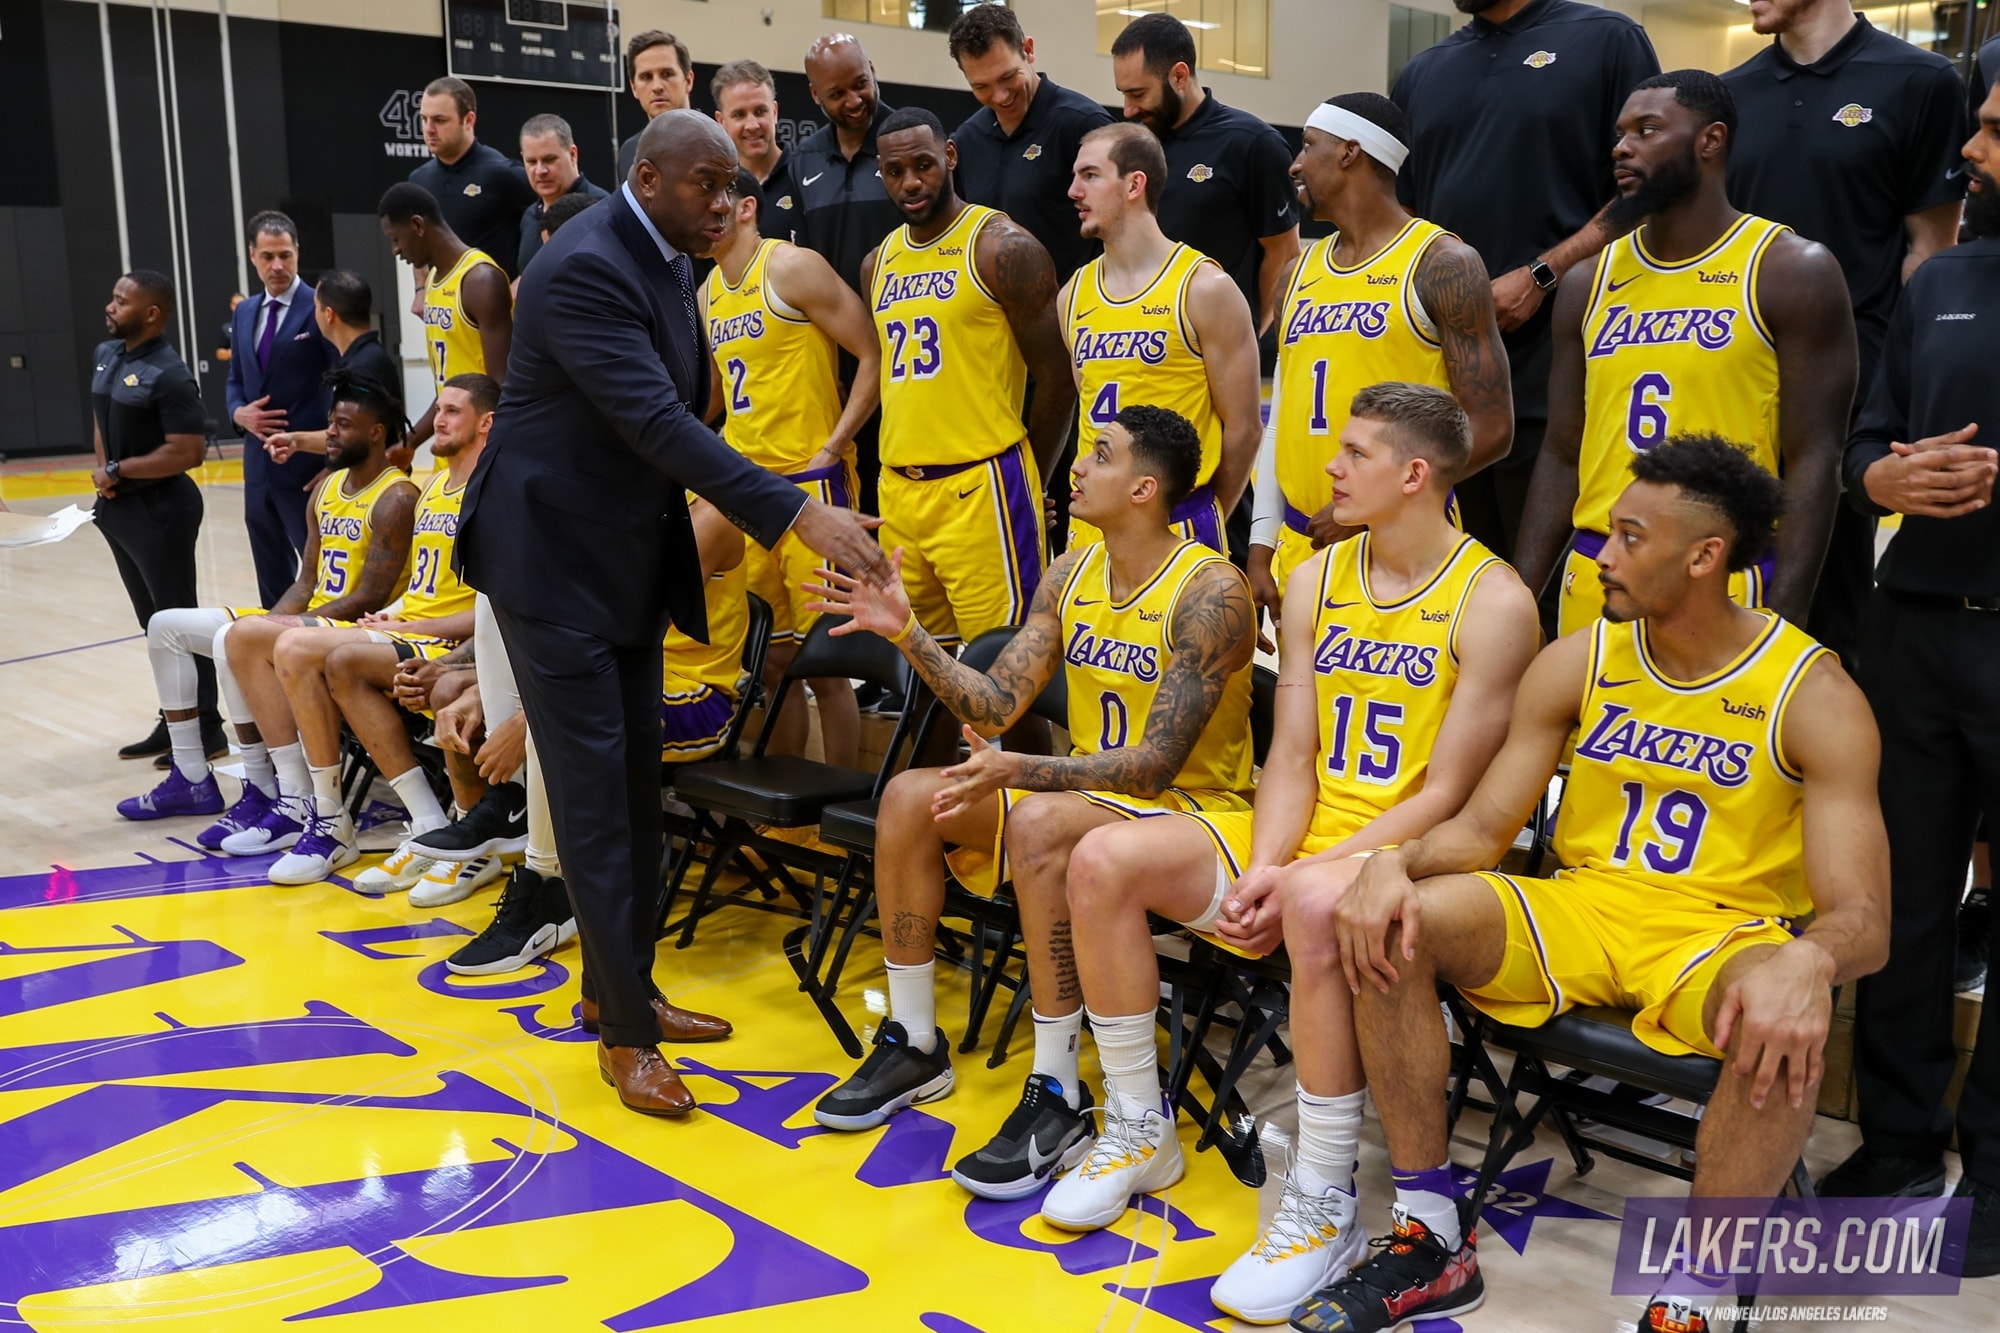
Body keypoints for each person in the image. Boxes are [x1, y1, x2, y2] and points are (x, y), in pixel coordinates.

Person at [1320, 436, 1888, 1333]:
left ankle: (1695, 1295)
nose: (1602, 555)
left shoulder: (1812, 691)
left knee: (1785, 1013)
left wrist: (1810, 962)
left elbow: (1865, 918)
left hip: (1719, 937)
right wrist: (1390, 862)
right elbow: (1479, 831)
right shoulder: (1583, 657)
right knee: (1401, 922)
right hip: (1579, 907)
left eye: (1628, 537)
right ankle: (1430, 1235)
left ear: (1704, 557)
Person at [1057, 385, 1530, 1322]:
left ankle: (1322, 1203)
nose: (1331, 467)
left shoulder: (1499, 601)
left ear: (1414, 474)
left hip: (1416, 853)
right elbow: (1292, 754)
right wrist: (1272, 862)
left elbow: (1447, 796)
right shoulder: (1316, 577)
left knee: (1316, 903)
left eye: (1354, 453)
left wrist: (1311, 874)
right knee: (1102, 859)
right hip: (1301, 833)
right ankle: (1137, 1130)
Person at [454, 112, 889, 1118]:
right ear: (648, 178)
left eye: (736, 186)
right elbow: (653, 421)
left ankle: (622, 986)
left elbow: (692, 409)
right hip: (550, 561)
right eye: (708, 184)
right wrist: (794, 515)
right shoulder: (586, 263)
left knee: (633, 785)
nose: (728, 201)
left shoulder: (667, 261)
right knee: (599, 795)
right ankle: (623, 1036)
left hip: (620, 559)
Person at [804, 406, 1255, 1216]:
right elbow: (995, 698)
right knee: (913, 796)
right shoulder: (1070, 570)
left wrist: (1025, 771)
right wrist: (906, 631)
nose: (1077, 467)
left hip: (1196, 812)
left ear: (1146, 488)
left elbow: (1153, 768)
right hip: (1087, 795)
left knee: (1044, 822)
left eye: (1101, 456)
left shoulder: (1212, 589)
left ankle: (1058, 1086)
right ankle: (914, 1040)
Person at [1817, 88, 2000, 1273]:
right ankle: (1893, 1139)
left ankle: (1992, 1172)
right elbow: (1859, 439)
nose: (1971, 149)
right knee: (1906, 902)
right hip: (1917, 627)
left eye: (1994, 129)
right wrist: (1878, 483)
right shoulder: (1939, 281)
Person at [1515, 72, 1856, 639]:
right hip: (1596, 565)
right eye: (1620, 133)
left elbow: (1816, 459)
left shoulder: (1790, 269)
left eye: (1648, 130)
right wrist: (1523, 596)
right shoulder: (1586, 282)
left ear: (1711, 140)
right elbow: (1560, 450)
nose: (1623, 146)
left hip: (1719, 573)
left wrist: (1786, 622)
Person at [1722, 0, 1967, 670]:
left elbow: (1929, 251)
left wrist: (1894, 392)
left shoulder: (1919, 81)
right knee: (1729, 574)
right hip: (1734, 375)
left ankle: (1824, 761)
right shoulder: (1735, 92)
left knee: (1830, 600)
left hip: (1847, 384)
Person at [1391, 0, 1661, 559]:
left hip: (1559, 350)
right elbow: (1402, 212)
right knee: (1453, 566)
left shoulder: (1606, 39)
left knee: (1540, 566)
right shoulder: (1423, 71)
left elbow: (1644, 191)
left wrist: (1544, 274)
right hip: (1445, 361)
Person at [118, 369, 417, 848]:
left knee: (233, 640)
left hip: (347, 624)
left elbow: (369, 598)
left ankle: (267, 787)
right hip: (312, 615)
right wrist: (273, 619)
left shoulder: (397, 498)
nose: (331, 435)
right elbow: (305, 581)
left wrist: (279, 629)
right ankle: (193, 776)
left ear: (376, 433)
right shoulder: (326, 489)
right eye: (331, 424)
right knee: (166, 625)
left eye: (341, 425)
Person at [1247, 94, 1514, 615]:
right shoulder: (1297, 272)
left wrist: (1374, 510)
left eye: (1307, 146)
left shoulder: (1442, 263)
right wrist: (1261, 541)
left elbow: (1492, 426)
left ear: (1350, 152)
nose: (1294, 164)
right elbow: (1281, 416)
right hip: (1304, 541)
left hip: (1403, 543)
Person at [250, 374, 495, 890]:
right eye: (439, 409)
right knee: (296, 650)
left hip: (452, 643)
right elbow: (427, 582)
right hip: (415, 628)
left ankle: (333, 816)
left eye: (453, 411)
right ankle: (410, 821)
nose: (439, 421)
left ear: (485, 424)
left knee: (295, 645)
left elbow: (493, 608)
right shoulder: (432, 488)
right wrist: (396, 613)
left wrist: (414, 622)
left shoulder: (492, 492)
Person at [865, 107, 1074, 659]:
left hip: (982, 489)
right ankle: (939, 753)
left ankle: (1021, 754)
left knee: (1010, 670)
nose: (910, 182)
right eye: (894, 171)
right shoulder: (876, 264)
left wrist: (1035, 477)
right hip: (900, 493)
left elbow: (1058, 377)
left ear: (950, 157)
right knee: (924, 670)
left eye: (924, 165)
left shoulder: (1003, 248)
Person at [702, 169, 880, 767]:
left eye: (716, 202)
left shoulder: (791, 266)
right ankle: (790, 826)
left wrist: (834, 446)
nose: (706, 215)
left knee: (827, 666)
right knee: (774, 664)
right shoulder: (706, 293)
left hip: (812, 487)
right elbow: (726, 396)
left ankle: (838, 815)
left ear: (747, 206)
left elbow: (872, 351)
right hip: (747, 495)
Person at [1060, 122, 1260, 555]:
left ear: (1135, 184)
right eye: (1076, 177)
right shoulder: (1071, 295)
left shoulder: (1204, 288)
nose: (1074, 191)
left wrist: (1208, 515)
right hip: (1092, 531)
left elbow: (1244, 429)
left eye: (1090, 176)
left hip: (1177, 523)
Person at [91, 271, 225, 767]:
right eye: (113, 296)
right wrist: (105, 470)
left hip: (162, 510)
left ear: (151, 313)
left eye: (121, 301)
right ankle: (175, 719)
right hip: (119, 509)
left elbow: (188, 452)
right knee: (152, 625)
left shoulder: (169, 372)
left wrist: (118, 469)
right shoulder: (107, 355)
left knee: (177, 620)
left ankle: (207, 727)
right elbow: (101, 418)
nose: (110, 306)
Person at [1109, 14, 1300, 338]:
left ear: (1179, 76)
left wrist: (1253, 340)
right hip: (1137, 339)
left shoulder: (1251, 143)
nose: (1127, 109)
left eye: (1138, 94)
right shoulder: (1134, 145)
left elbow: (1282, 254)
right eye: (1123, 94)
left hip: (1215, 344)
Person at [947, 3, 1113, 285]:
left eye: (1008, 77)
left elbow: (1120, 227)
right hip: (994, 317)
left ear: (1029, 50)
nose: (1000, 96)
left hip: (1073, 313)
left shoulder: (1083, 125)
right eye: (981, 86)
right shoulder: (967, 139)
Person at [226, 210, 336, 608]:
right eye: (269, 256)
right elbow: (236, 380)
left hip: (308, 469)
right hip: (257, 468)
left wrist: (336, 460)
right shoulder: (244, 312)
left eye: (285, 256)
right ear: (252, 256)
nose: (278, 266)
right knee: (270, 575)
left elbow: (344, 384)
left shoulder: (321, 305)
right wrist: (238, 413)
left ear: (297, 254)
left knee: (321, 575)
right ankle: (272, 650)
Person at [379, 183, 512, 453]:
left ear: (417, 225)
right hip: (452, 449)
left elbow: (503, 385)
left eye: (395, 239)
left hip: (481, 453)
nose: (395, 250)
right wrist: (411, 442)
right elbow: (446, 385)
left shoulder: (480, 280)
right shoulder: (433, 283)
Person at [792, 33, 903, 300]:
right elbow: (805, 261)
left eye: (861, 83)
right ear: (815, 94)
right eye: (837, 94)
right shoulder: (805, 158)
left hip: (908, 325)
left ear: (872, 70)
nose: (854, 101)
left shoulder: (908, 140)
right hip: (834, 330)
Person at [262, 271, 403, 466]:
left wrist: (328, 471)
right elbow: (346, 433)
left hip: (373, 486)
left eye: (316, 306)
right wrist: (296, 440)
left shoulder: (361, 369)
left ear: (329, 314)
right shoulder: (366, 357)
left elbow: (353, 439)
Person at [407, 76, 535, 287]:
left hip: (495, 310)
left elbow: (551, 221)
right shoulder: (418, 179)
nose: (429, 129)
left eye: (439, 120)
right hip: (444, 310)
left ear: (468, 120)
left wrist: (525, 280)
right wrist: (420, 288)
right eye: (424, 119)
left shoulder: (502, 173)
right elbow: (417, 241)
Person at [711, 59, 797, 240]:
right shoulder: (714, 187)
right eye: (739, 115)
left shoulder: (803, 176)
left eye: (759, 111)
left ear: (774, 112)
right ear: (721, 121)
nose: (752, 125)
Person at [516, 113, 609, 276]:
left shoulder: (601, 209)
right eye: (531, 162)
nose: (540, 171)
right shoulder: (529, 216)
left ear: (573, 154)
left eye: (549, 159)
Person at [615, 30, 696, 182]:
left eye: (666, 74)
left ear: (688, 80)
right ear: (634, 87)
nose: (657, 86)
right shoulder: (629, 152)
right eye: (646, 77)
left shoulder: (718, 142)